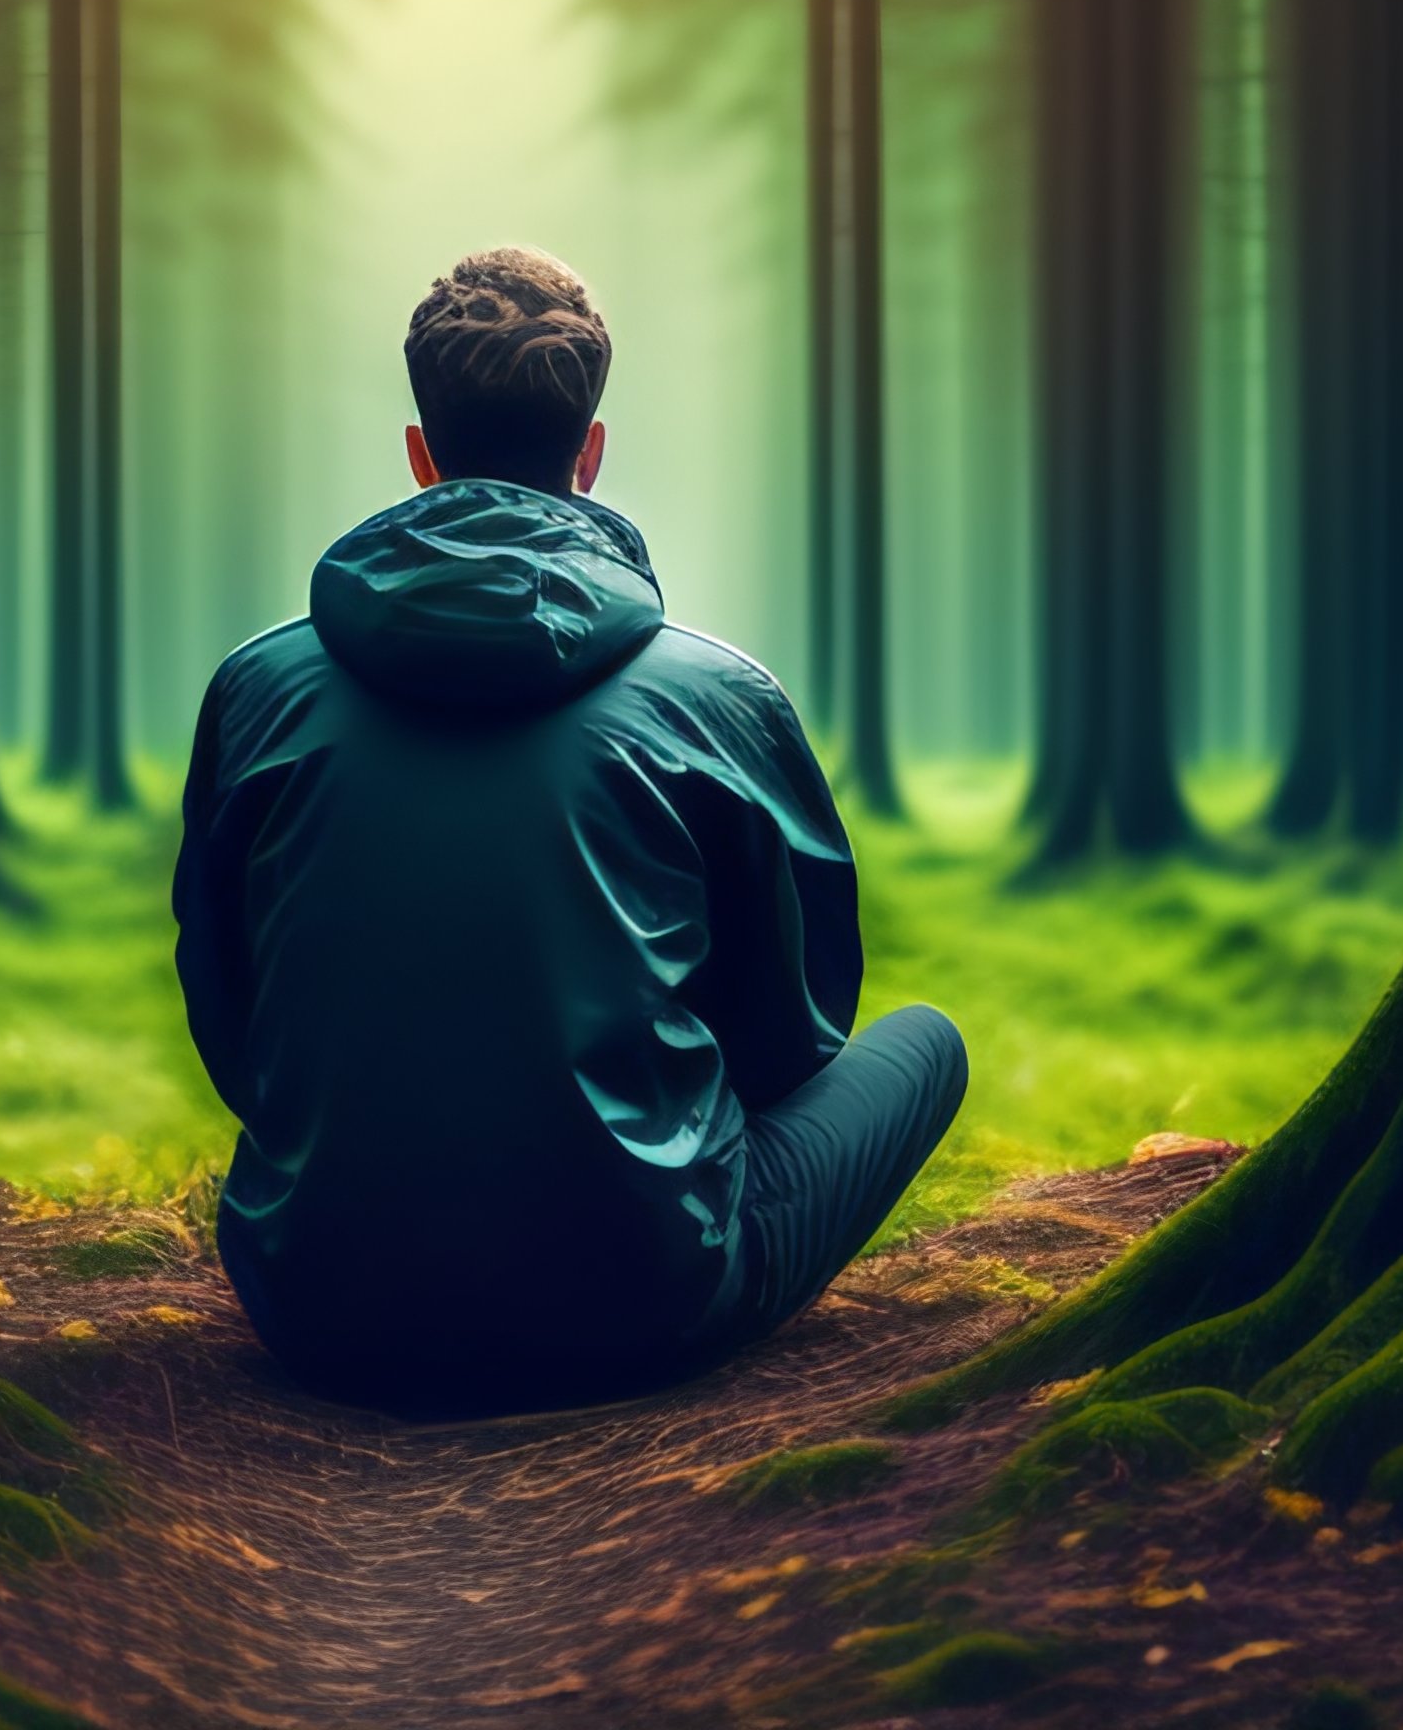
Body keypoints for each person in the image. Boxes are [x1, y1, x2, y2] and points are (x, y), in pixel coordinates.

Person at [173, 246, 967, 1419]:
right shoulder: (719, 696)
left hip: (318, 1304)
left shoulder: (257, 687)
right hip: (639, 1305)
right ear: (590, 453)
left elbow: (228, 1006)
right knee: (928, 1043)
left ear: (421, 454)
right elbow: (795, 1036)